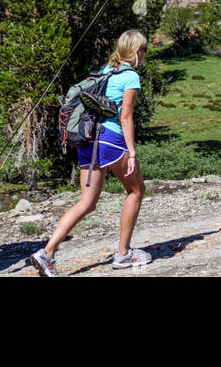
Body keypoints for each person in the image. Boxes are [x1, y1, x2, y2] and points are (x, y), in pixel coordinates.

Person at [32, 29, 152, 275]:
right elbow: (125, 116)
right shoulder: (131, 77)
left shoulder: (106, 71)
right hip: (111, 141)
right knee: (136, 191)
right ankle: (123, 254)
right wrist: (132, 151)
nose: (145, 54)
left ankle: (47, 252)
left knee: (86, 203)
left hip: (88, 140)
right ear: (137, 51)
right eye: (144, 49)